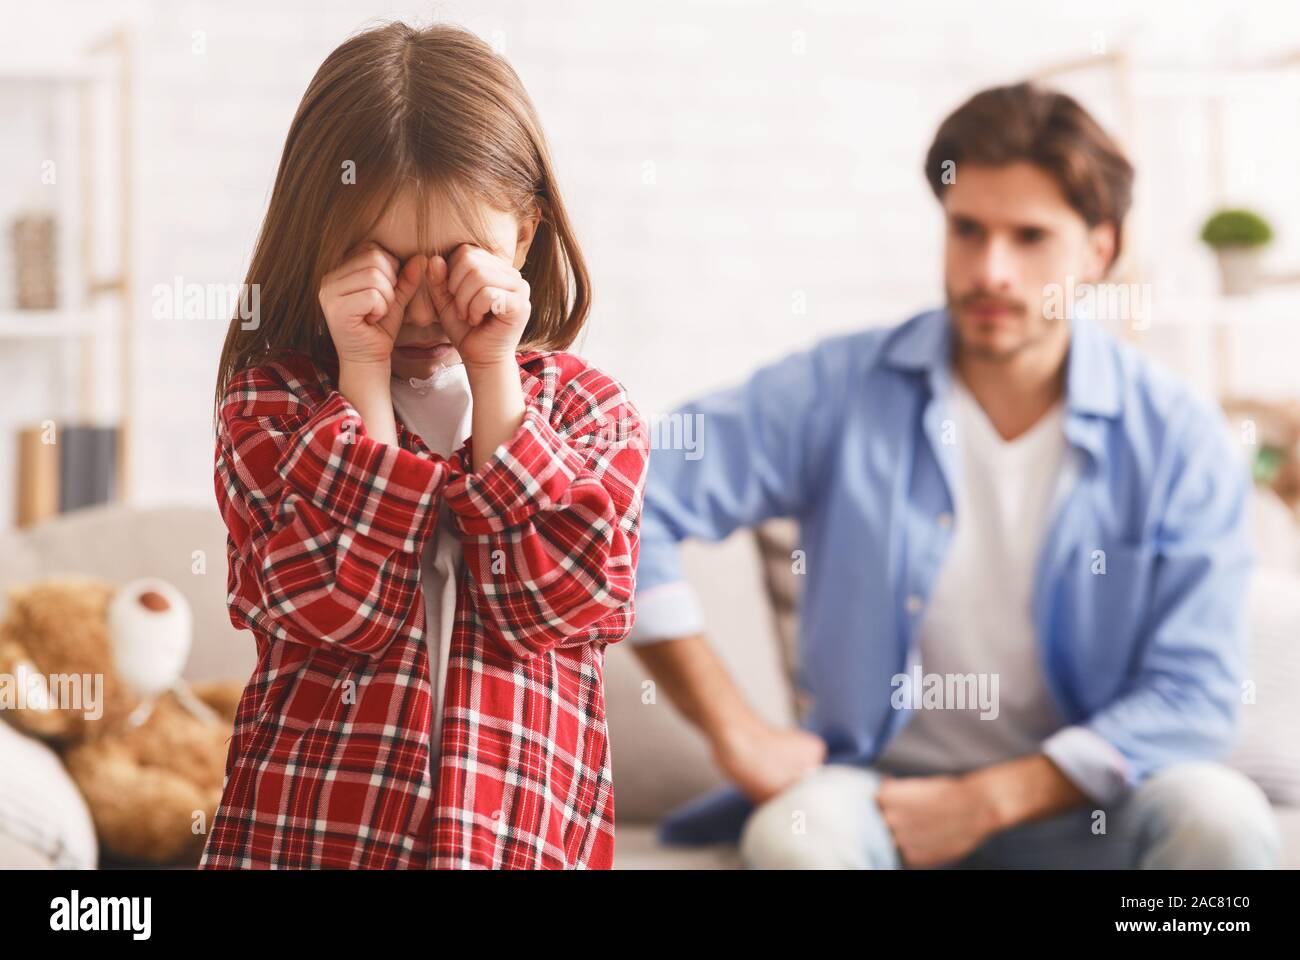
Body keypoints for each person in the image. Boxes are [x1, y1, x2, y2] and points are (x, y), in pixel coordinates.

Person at [628, 82, 1280, 869]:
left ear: (1099, 250)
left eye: (1029, 237)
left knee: (1224, 821)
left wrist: (987, 801)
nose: (990, 269)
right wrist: (734, 729)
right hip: (882, 799)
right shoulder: (836, 389)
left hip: (1094, 803)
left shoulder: (1179, 438)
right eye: (967, 230)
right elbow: (624, 498)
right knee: (799, 839)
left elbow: (1196, 692)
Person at [202, 21, 648, 869]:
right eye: (376, 257)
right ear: (316, 240)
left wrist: (491, 371)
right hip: (308, 843)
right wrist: (363, 375)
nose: (417, 297)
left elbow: (557, 604)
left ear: (521, 238)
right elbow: (337, 613)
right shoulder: (271, 407)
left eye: (456, 257)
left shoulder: (592, 413)